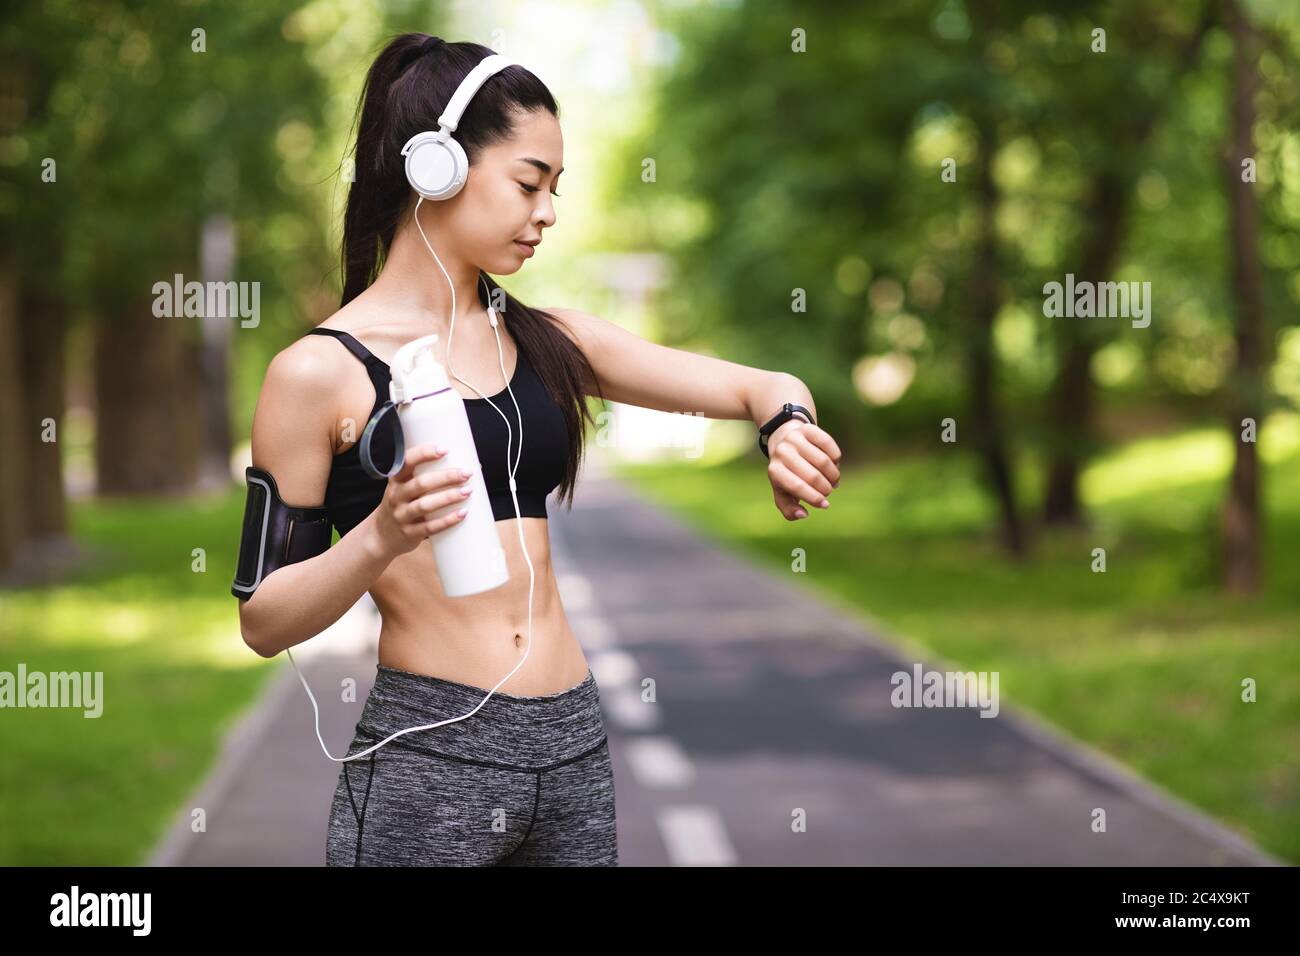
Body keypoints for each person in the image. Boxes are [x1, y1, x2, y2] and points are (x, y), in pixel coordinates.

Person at [234, 34, 843, 867]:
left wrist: (788, 429)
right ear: (438, 168)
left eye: (556, 188)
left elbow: (760, 385)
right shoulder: (318, 373)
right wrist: (381, 533)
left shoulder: (550, 342)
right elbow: (263, 620)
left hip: (574, 751)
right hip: (429, 760)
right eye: (529, 182)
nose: (549, 212)